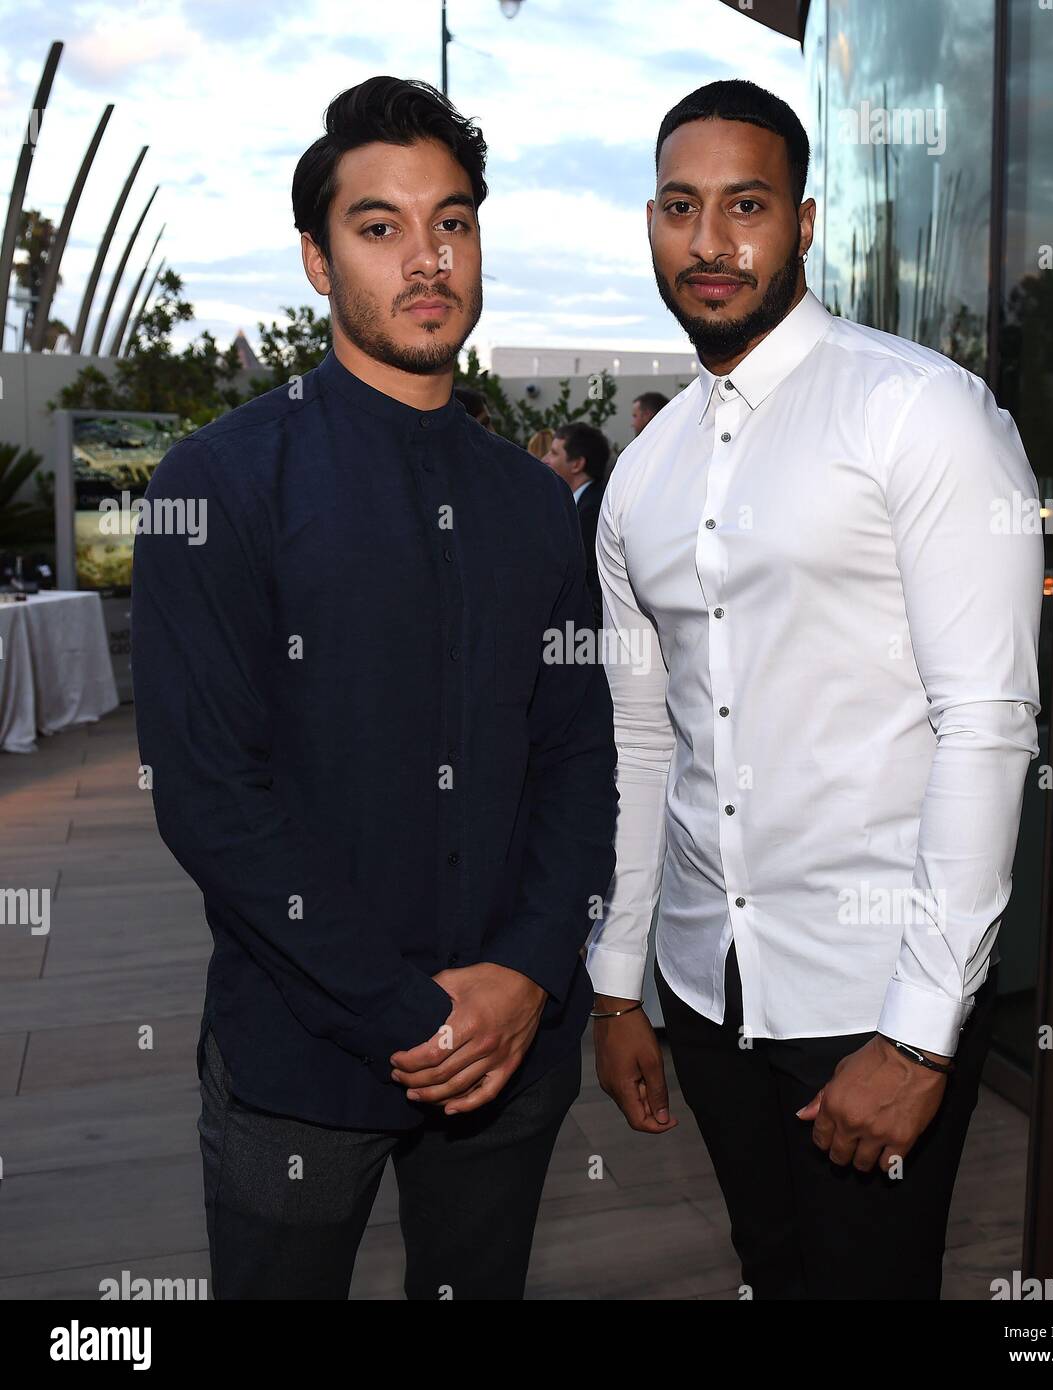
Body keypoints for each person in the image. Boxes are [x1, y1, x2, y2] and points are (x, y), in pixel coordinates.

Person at [132, 75, 617, 1301]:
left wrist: (525, 976)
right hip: (301, 1057)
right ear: (315, 257)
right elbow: (209, 798)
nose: (427, 258)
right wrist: (411, 1010)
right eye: (380, 225)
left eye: (451, 221)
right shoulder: (221, 483)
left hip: (512, 1051)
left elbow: (577, 755)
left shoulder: (530, 502)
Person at [586, 79, 1043, 1300]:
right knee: (772, 1268)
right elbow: (641, 741)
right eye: (682, 207)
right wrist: (618, 979)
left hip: (872, 993)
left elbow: (987, 728)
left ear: (802, 220)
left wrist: (918, 1030)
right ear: (650, 224)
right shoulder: (642, 475)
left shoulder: (920, 412)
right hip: (704, 982)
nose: (712, 240)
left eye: (747, 204)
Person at [542, 421, 610, 625]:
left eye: (554, 453)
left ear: (577, 464)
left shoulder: (593, 512)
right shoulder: (582, 503)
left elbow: (590, 582)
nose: (545, 459)